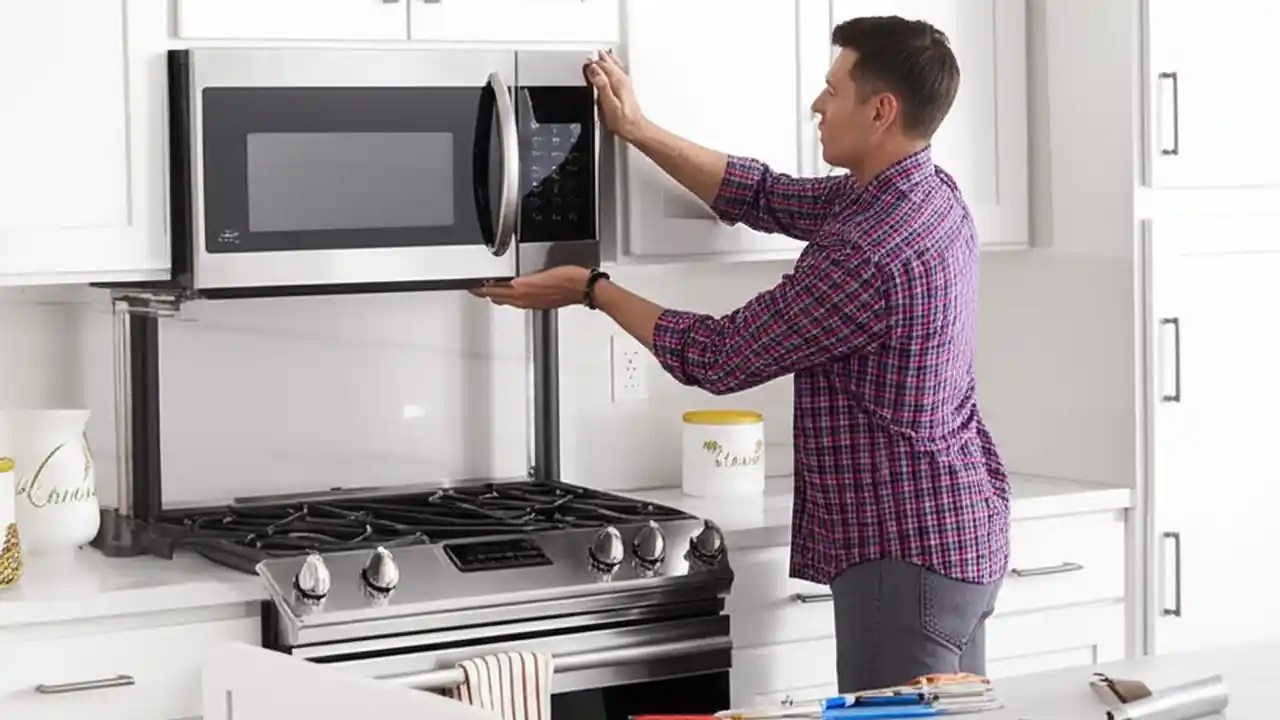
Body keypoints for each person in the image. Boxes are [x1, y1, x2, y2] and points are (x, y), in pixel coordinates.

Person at [471, 16, 1011, 692]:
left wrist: (592, 290)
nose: (816, 104)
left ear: (881, 111)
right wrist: (636, 128)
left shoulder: (869, 252)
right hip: (955, 532)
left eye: (831, 89)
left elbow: (719, 355)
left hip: (902, 554)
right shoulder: (923, 196)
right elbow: (764, 196)